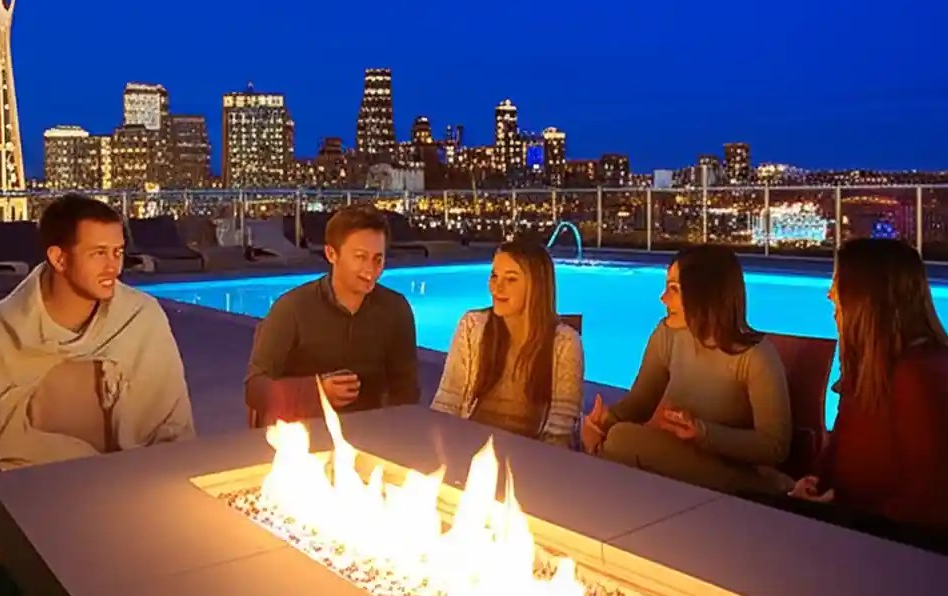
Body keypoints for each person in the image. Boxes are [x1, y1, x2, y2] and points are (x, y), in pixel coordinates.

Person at [0, 194, 196, 596]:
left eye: (118, 252)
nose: (113, 267)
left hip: (114, 490)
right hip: (0, 499)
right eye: (98, 254)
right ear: (58, 258)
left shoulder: (141, 318)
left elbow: (169, 419)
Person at [789, 238, 948, 558]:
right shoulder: (872, 368)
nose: (829, 294)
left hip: (893, 555)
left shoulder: (925, 377)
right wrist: (814, 482)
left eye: (838, 283)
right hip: (846, 529)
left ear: (869, 298)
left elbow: (927, 513)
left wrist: (836, 513)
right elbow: (838, 450)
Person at [580, 245, 792, 495]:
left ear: (705, 293)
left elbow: (775, 446)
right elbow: (640, 403)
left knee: (623, 441)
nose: (663, 299)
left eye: (674, 289)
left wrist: (703, 433)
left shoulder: (755, 356)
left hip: (734, 472)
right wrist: (603, 421)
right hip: (681, 460)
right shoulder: (667, 335)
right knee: (618, 437)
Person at [245, 205, 419, 422]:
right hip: (303, 436)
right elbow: (255, 388)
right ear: (331, 254)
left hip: (372, 436)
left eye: (377, 259)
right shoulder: (292, 309)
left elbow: (406, 390)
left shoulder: (395, 309)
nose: (370, 270)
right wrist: (316, 392)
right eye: (360, 257)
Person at [431, 241, 584, 446]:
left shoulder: (564, 344)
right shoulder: (472, 327)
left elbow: (559, 434)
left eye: (511, 279)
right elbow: (447, 402)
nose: (497, 287)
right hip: (467, 447)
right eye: (494, 276)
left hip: (531, 458)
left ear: (536, 287)